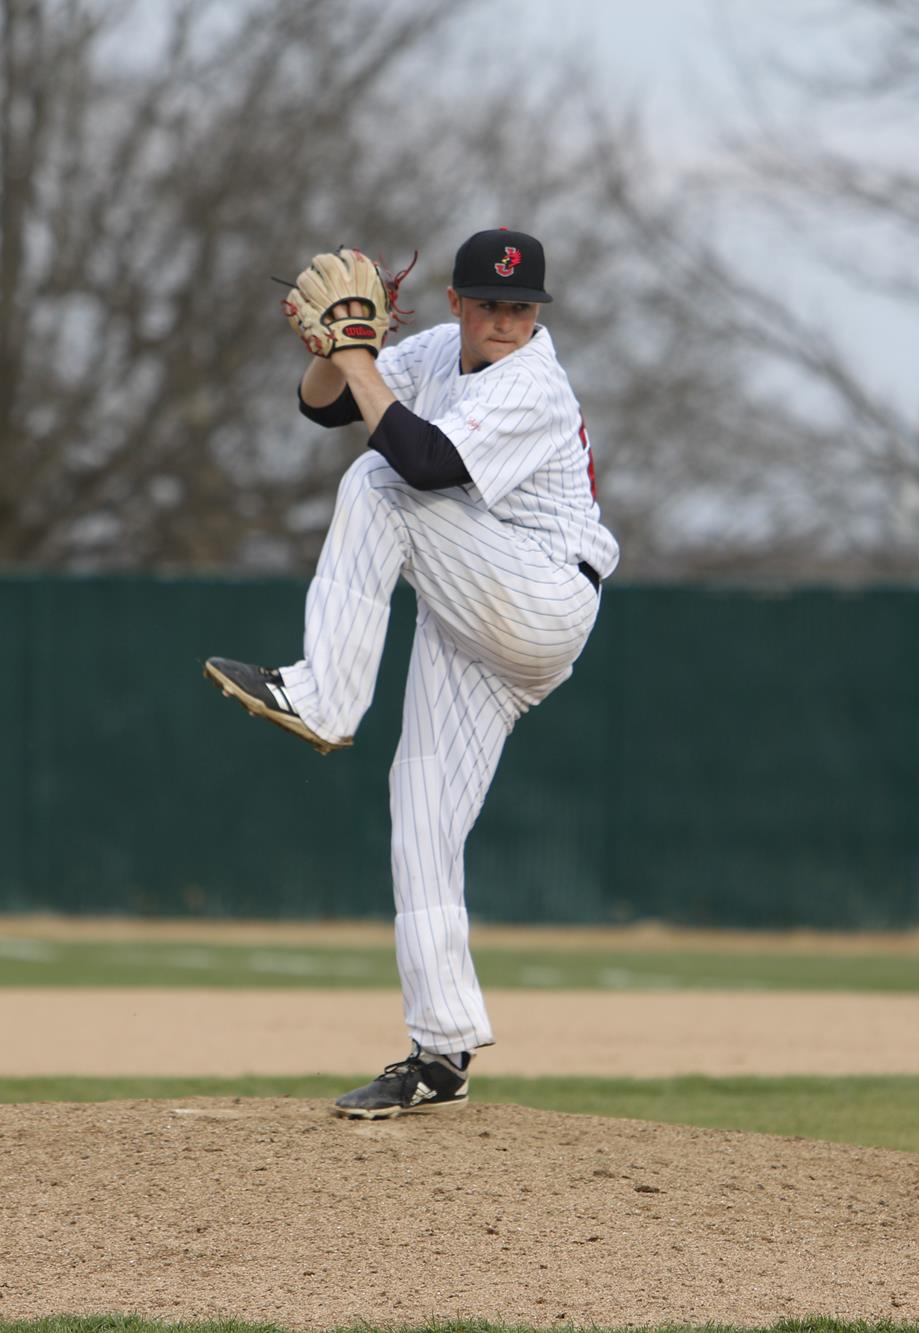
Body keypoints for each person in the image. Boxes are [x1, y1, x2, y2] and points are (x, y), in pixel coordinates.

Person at [203, 228, 617, 1116]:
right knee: (422, 812)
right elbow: (326, 407)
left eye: (522, 306)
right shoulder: (437, 351)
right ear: (461, 304)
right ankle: (441, 1051)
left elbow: (423, 461)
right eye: (492, 304)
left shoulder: (532, 381)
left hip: (539, 594)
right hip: (472, 602)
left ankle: (323, 696)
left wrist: (360, 358)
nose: (508, 320)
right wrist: (334, 355)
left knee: (380, 485)